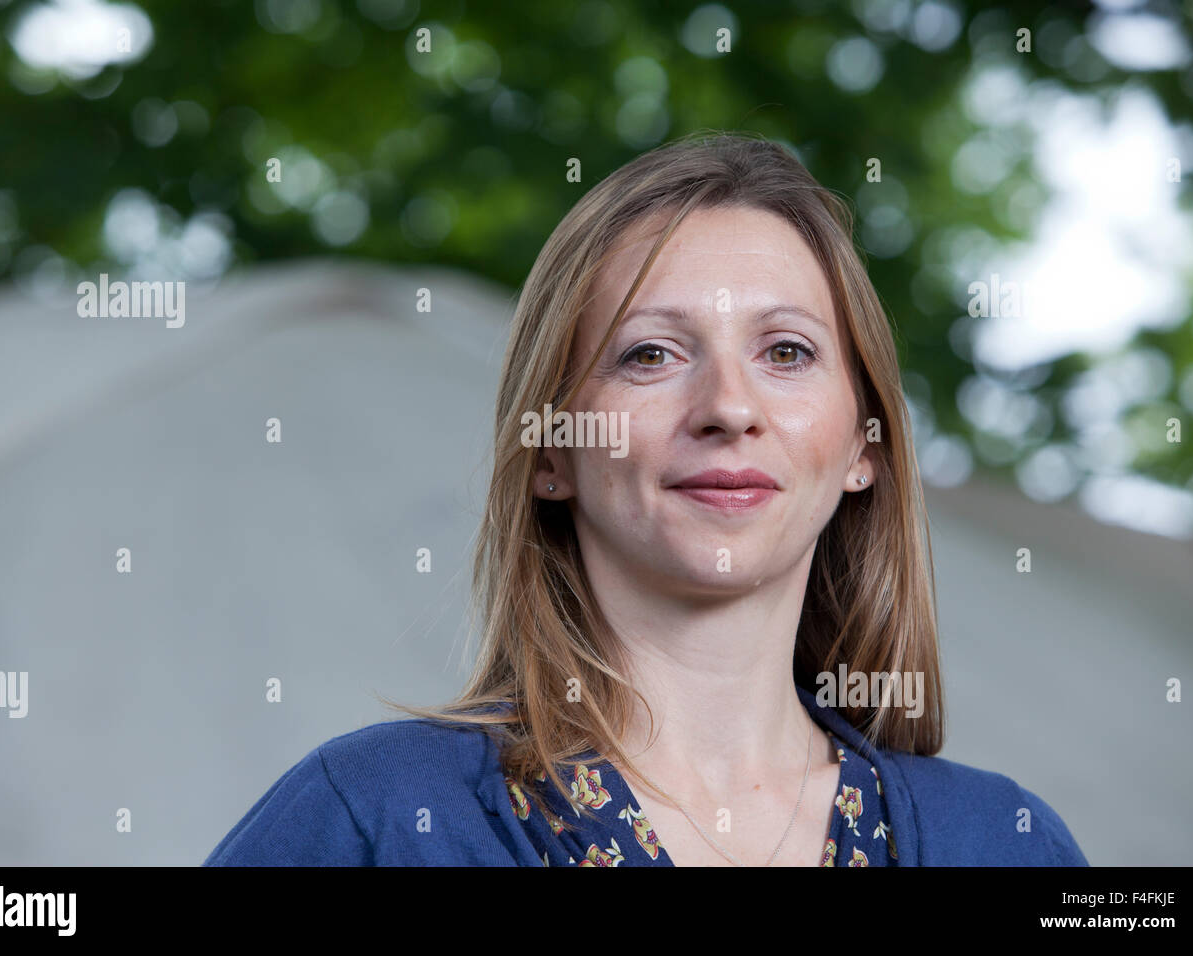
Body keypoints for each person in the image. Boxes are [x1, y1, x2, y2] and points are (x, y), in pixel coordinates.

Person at [205, 131, 1088, 867]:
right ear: (552, 450)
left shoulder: (1006, 845)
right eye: (650, 355)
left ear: (864, 447)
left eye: (785, 352)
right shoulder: (376, 821)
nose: (729, 409)